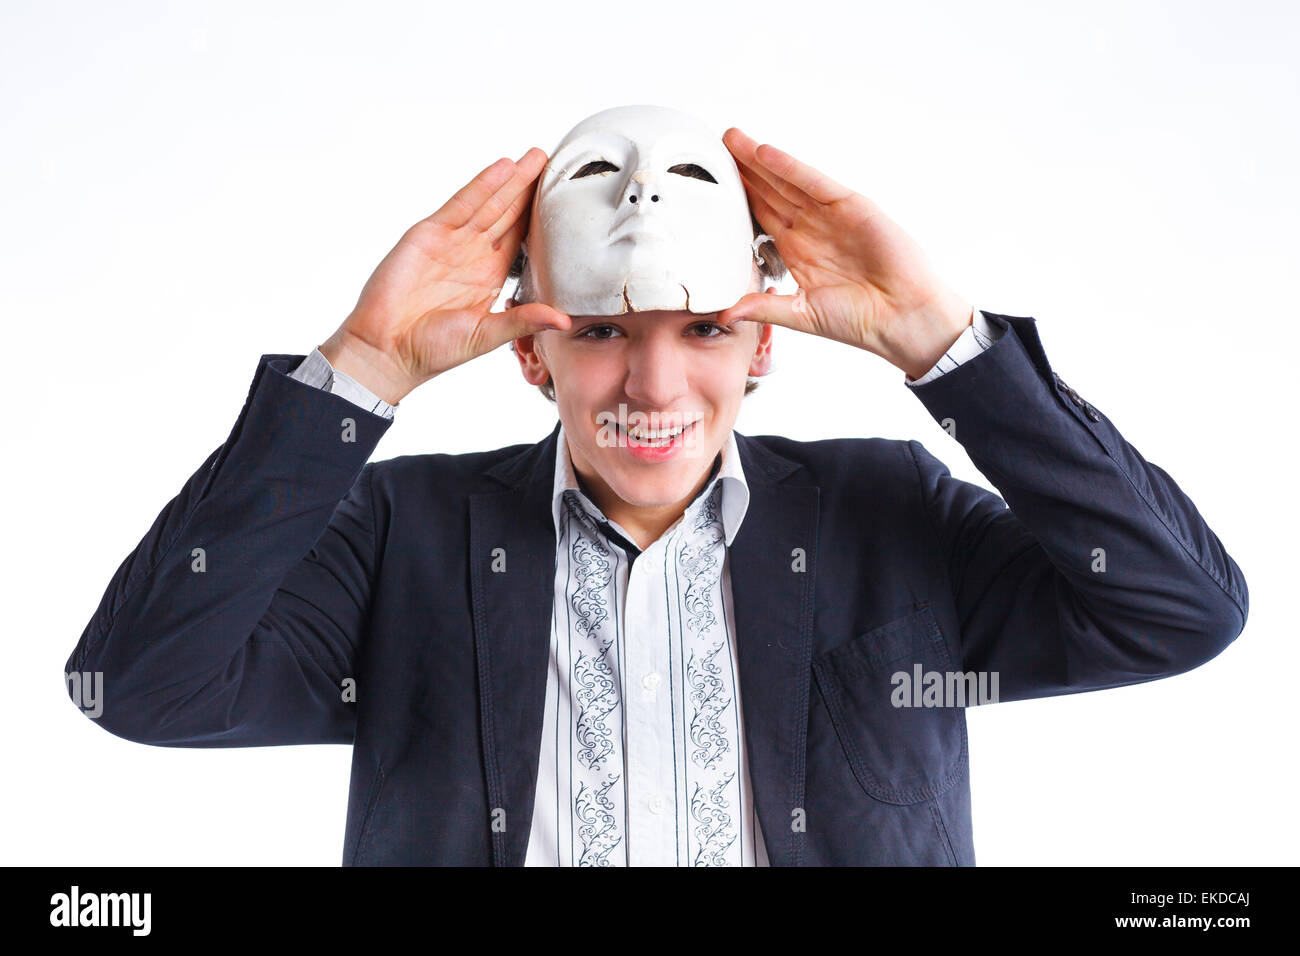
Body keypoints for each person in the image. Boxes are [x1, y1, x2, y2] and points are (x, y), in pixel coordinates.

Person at [65, 104, 1249, 866]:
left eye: (702, 328)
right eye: (597, 333)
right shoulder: (406, 535)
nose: (653, 380)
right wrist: (358, 372)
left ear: (763, 344)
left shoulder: (886, 514)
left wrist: (946, 343)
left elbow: (1177, 607)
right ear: (531, 352)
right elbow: (132, 683)